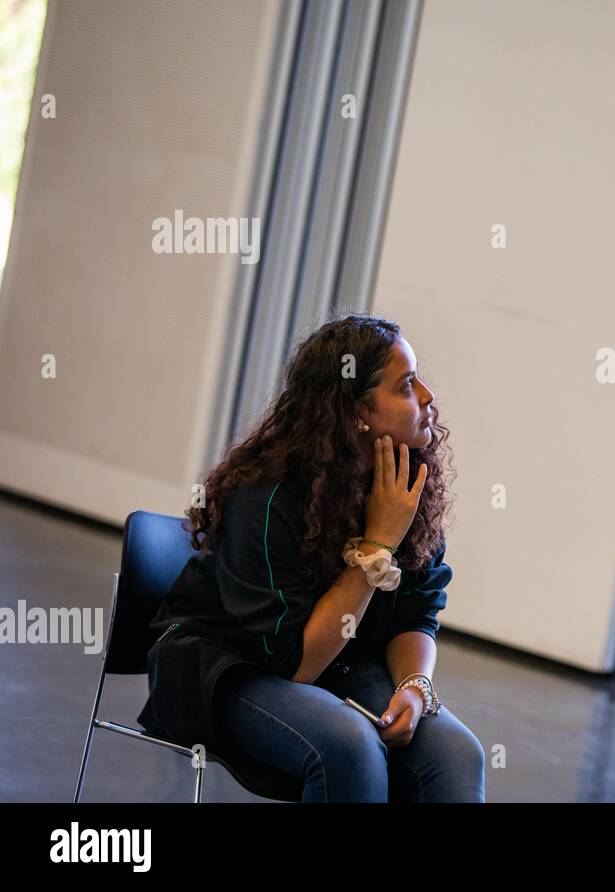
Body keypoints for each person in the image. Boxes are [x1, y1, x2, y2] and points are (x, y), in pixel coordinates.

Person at [137, 314, 486, 802]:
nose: (427, 396)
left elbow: (417, 613)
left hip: (341, 664)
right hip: (229, 669)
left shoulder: (406, 482)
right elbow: (294, 663)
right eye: (406, 385)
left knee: (455, 752)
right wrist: (376, 547)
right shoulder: (267, 495)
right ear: (356, 412)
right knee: (350, 745)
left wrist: (414, 686)